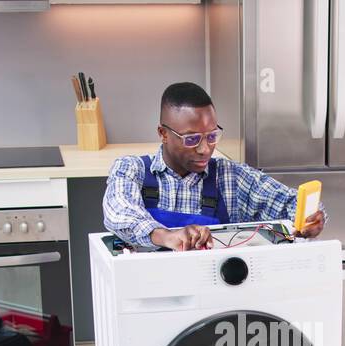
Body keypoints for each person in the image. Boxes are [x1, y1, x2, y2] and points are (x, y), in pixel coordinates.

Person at [103, 82, 326, 251]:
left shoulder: (231, 177)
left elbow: (289, 203)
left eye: (211, 136)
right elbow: (120, 214)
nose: (204, 149)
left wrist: (310, 219)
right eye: (191, 139)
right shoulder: (132, 170)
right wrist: (167, 236)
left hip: (217, 303)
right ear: (163, 134)